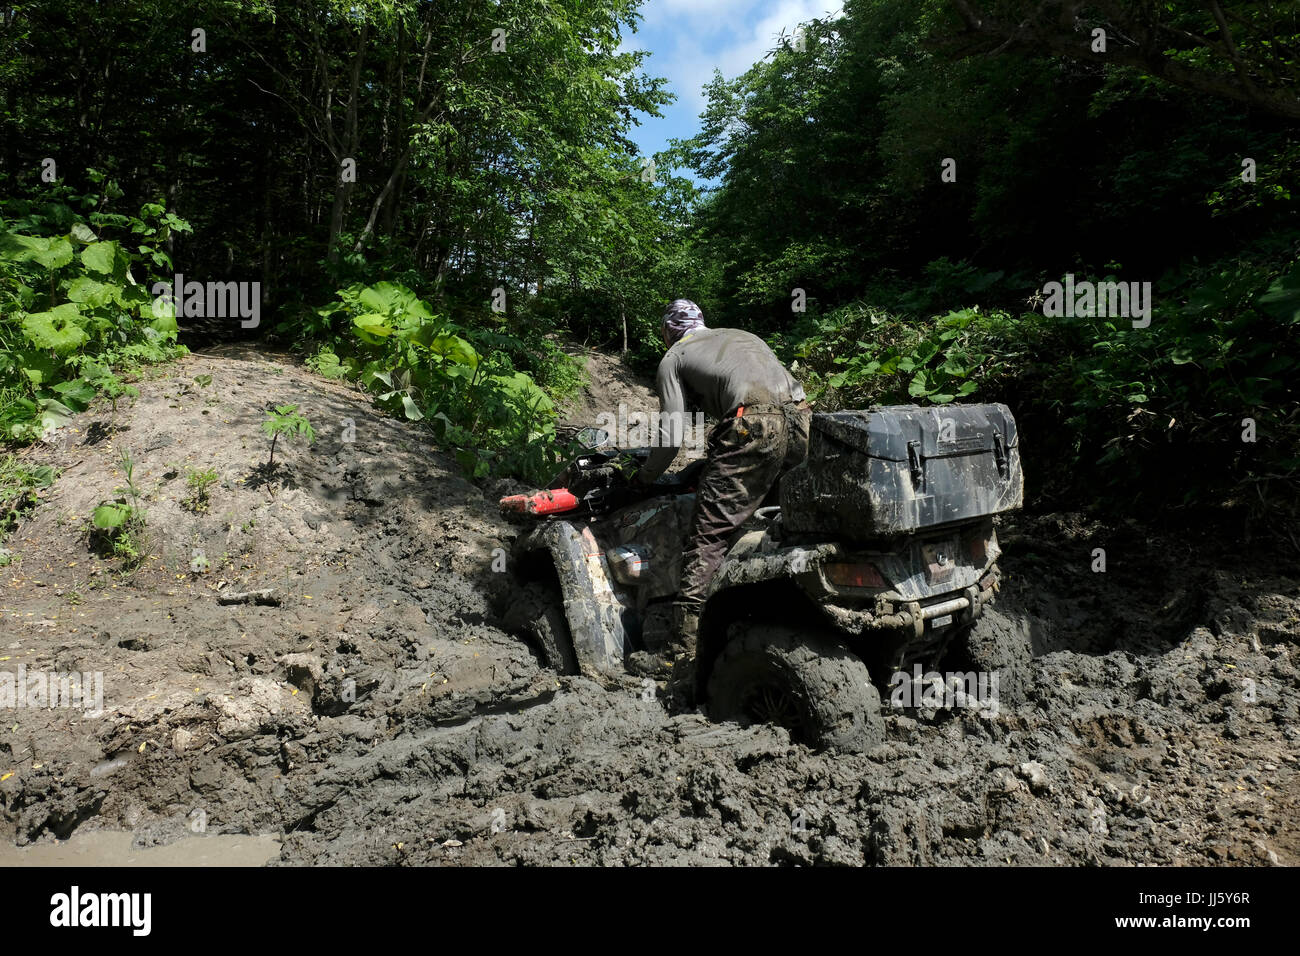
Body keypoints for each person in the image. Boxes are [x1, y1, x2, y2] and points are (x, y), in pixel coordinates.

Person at [632, 298, 811, 691]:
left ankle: (680, 654)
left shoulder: (674, 357)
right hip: (801, 423)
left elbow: (672, 439)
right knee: (778, 522)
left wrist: (644, 478)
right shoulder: (741, 335)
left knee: (709, 534)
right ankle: (769, 617)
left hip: (753, 426)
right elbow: (791, 395)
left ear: (668, 331)